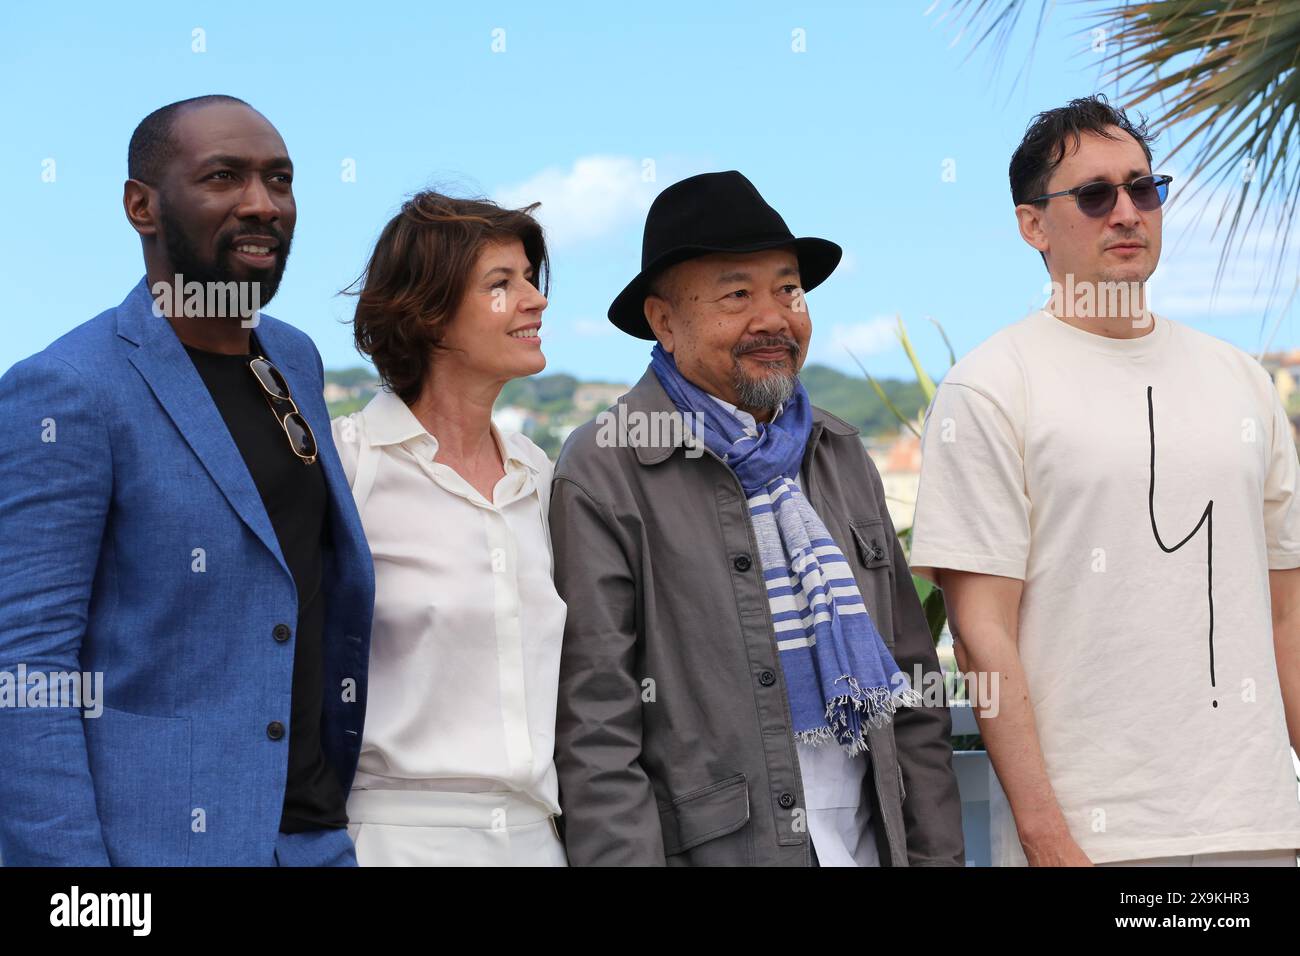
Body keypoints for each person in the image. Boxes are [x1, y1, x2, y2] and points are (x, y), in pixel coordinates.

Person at [910, 94, 1300, 867]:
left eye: (1143, 188)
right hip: (1096, 840)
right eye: (1095, 195)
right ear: (1033, 225)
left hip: (1260, 826)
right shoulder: (990, 386)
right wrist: (1047, 837)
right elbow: (982, 633)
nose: (1127, 211)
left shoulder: (1242, 382)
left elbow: (1288, 608)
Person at [0, 95, 374, 866]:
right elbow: (24, 669)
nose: (261, 204)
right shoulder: (68, 389)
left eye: (280, 179)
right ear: (142, 205)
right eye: (223, 177)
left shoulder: (294, 361)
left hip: (315, 841)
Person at [550, 170, 964, 866]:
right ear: (663, 321)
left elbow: (914, 688)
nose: (774, 317)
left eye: (788, 289)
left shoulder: (837, 452)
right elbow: (597, 731)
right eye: (738, 293)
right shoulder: (608, 465)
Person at [332, 192, 568, 866]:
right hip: (393, 842)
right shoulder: (349, 466)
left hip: (539, 841)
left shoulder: (542, 477)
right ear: (429, 313)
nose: (535, 300)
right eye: (501, 284)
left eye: (529, 278)